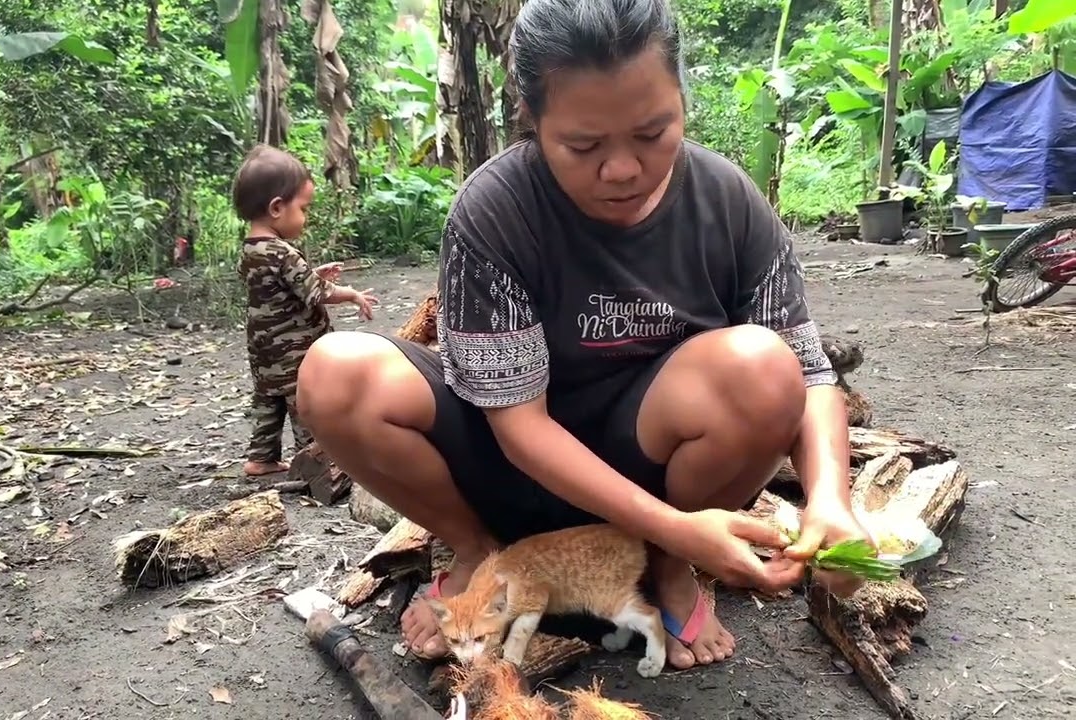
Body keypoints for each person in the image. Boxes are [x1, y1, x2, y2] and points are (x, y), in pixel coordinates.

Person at [295, 0, 874, 671]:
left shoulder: (729, 204)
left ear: (682, 99)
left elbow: (808, 374)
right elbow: (520, 429)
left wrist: (832, 498)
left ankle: (666, 566)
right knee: (336, 372)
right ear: (533, 119)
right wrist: (679, 523)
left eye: (652, 132)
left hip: (653, 463)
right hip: (510, 463)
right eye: (584, 146)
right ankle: (480, 547)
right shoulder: (496, 212)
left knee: (764, 368)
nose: (623, 168)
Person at [232, 144, 379, 477]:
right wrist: (351, 294)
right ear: (276, 208)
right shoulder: (283, 252)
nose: (306, 217)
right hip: (294, 349)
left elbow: (276, 288)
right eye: (304, 208)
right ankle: (312, 461)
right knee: (303, 404)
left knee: (269, 402)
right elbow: (316, 293)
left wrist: (312, 274)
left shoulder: (250, 249)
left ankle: (261, 458)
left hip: (264, 349)